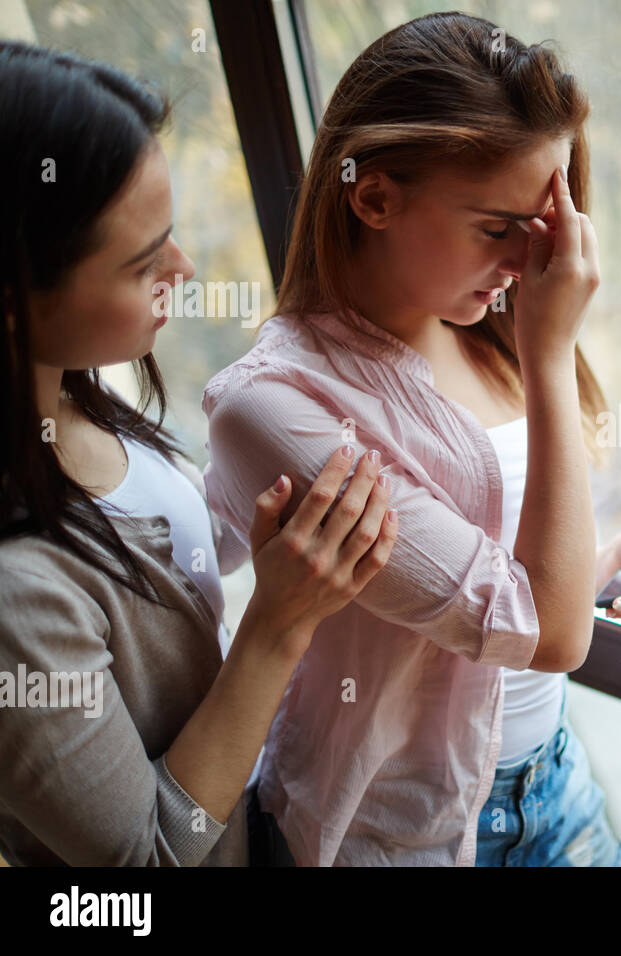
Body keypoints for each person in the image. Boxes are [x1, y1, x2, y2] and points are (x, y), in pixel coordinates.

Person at [201, 12, 621, 866]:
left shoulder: (476, 326)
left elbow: (491, 596)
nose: (529, 262)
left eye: (544, 220)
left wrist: (600, 566)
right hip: (402, 832)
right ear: (373, 197)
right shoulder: (281, 406)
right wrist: (548, 353)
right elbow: (543, 633)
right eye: (497, 228)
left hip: (553, 785)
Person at [0, 41, 398, 866]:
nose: (181, 269)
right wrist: (277, 626)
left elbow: (166, 556)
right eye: (145, 262)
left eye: (170, 238)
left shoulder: (72, 392)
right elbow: (147, 859)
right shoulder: (14, 600)